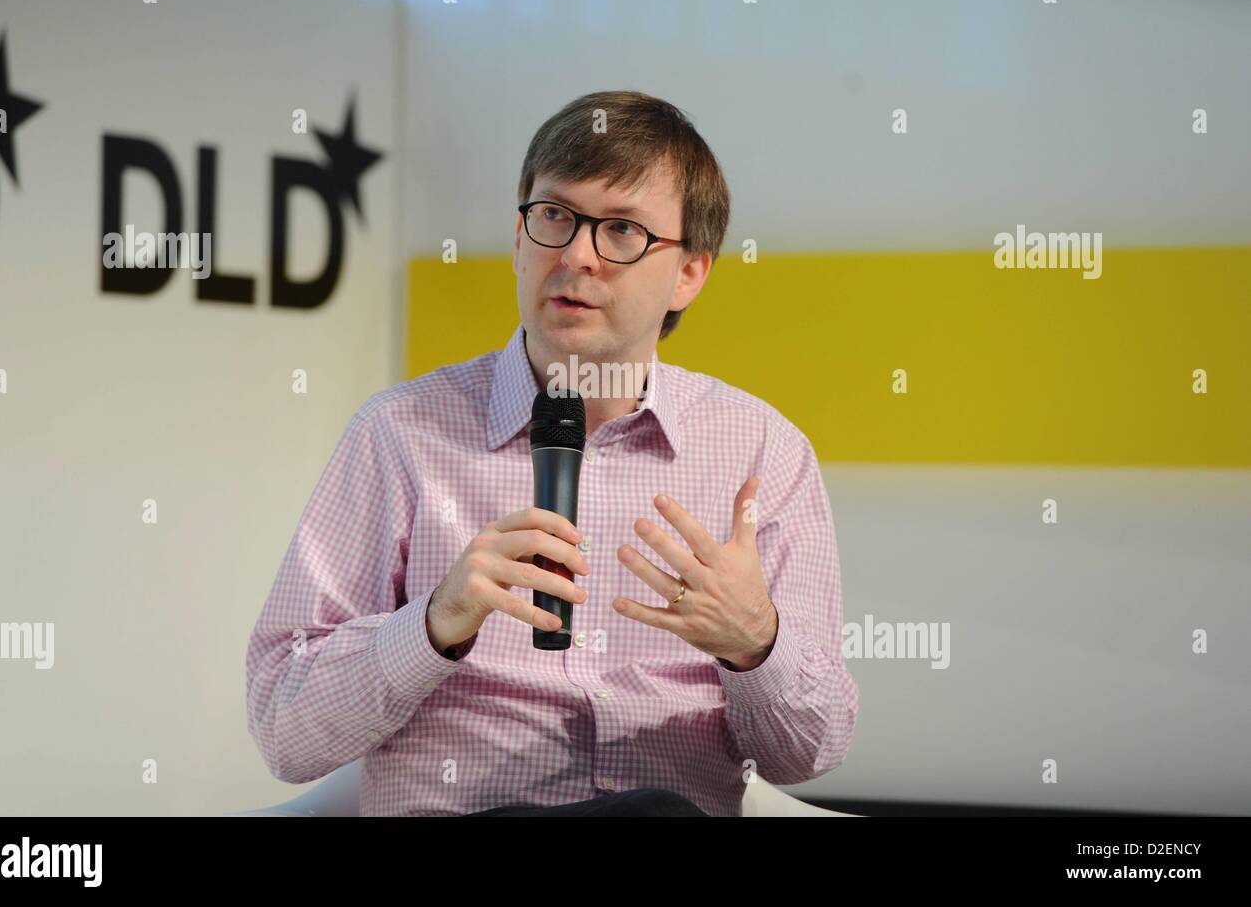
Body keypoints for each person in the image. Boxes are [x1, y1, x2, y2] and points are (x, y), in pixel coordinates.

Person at [245, 90, 858, 816]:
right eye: (555, 216)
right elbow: (284, 728)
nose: (575, 254)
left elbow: (809, 752)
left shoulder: (763, 452)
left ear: (690, 272)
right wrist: (433, 622)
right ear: (518, 236)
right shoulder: (401, 434)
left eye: (622, 230)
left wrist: (756, 642)